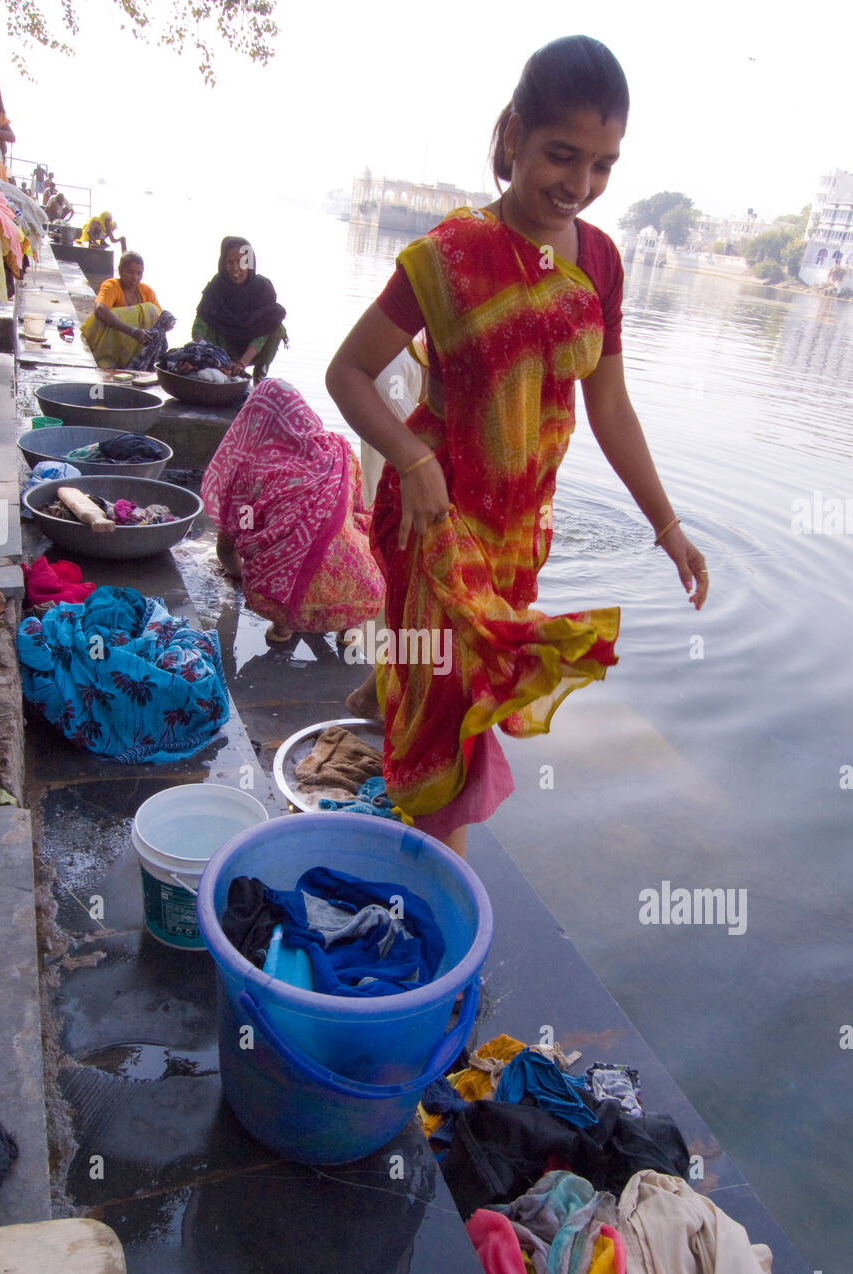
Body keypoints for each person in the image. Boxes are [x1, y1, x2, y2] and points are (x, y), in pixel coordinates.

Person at [326, 34, 708, 856]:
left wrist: (667, 526)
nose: (580, 185)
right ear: (513, 138)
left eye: (603, 165)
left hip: (517, 528)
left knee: (438, 675)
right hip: (436, 520)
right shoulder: (446, 258)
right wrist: (413, 459)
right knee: (453, 739)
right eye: (561, 156)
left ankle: (381, 693)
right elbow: (348, 373)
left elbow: (610, 407)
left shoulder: (601, 263)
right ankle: (448, 917)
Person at [201, 379, 384, 644]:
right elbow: (357, 511)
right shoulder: (340, 449)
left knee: (280, 566)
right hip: (358, 585)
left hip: (284, 595)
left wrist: (236, 573)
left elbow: (240, 533)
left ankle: (283, 628)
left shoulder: (254, 468)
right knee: (351, 536)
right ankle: (350, 629)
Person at [192, 237, 287, 383]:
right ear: (223, 263)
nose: (236, 268)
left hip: (251, 350)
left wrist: (242, 363)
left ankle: (259, 376)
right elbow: (199, 328)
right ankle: (220, 369)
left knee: (276, 326)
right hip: (221, 350)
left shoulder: (263, 288)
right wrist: (213, 358)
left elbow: (263, 332)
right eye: (230, 262)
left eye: (242, 262)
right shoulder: (217, 286)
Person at [80, 251, 168, 369]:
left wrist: (166, 324)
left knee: (152, 312)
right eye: (130, 272)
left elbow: (160, 317)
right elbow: (99, 309)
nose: (135, 277)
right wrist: (133, 331)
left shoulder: (146, 291)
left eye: (139, 273)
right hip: (110, 344)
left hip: (133, 347)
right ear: (120, 271)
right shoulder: (111, 286)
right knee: (148, 310)